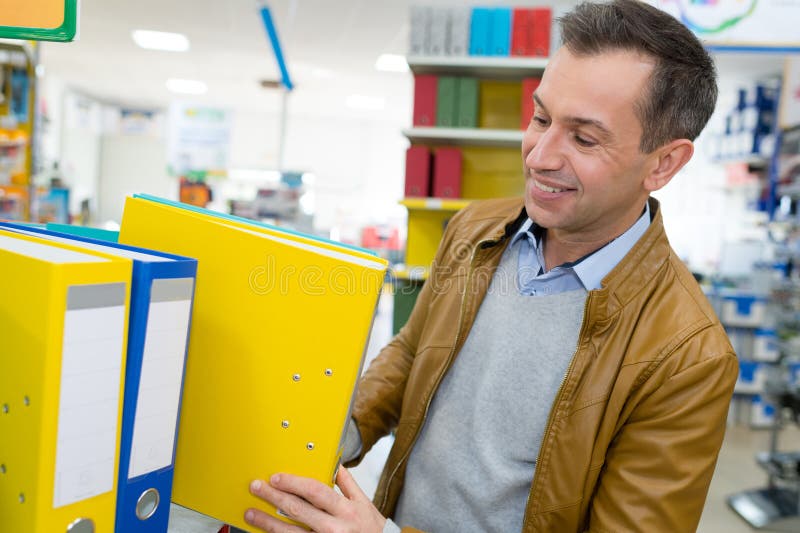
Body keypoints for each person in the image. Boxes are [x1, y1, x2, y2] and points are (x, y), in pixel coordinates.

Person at [243, 1, 738, 531]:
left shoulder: (689, 358)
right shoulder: (476, 229)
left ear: (664, 163)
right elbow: (414, 353)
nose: (540, 155)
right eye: (541, 117)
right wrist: (335, 433)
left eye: (584, 138)